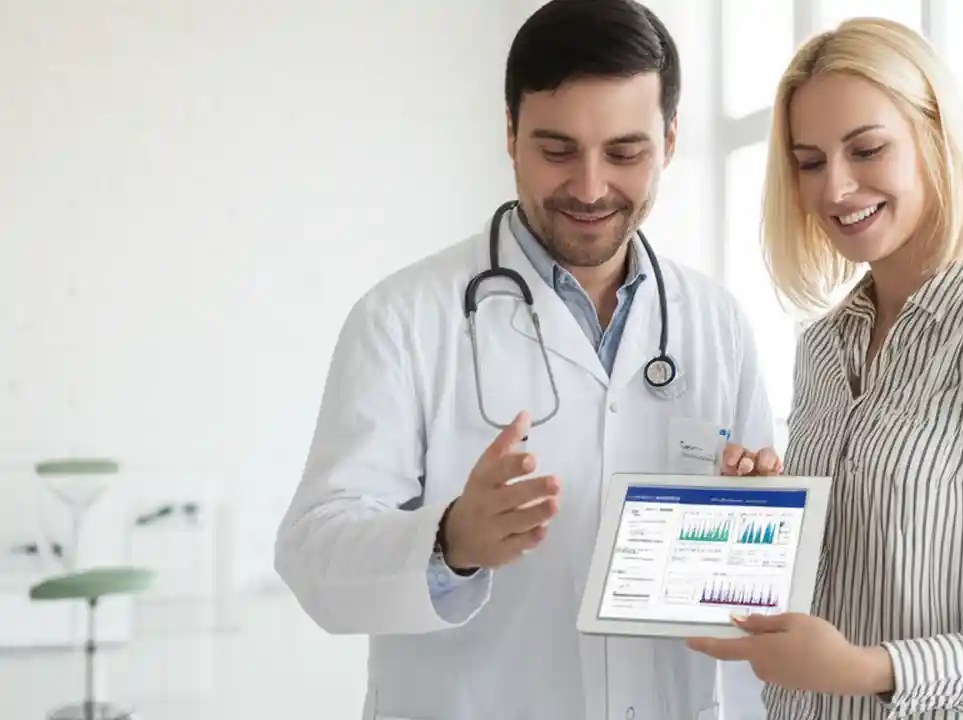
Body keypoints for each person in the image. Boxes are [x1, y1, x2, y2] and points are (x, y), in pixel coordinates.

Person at [273, 1, 773, 718]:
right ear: (510, 136)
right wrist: (451, 541)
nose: (592, 187)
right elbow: (312, 555)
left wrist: (752, 519)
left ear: (668, 141)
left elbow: (746, 596)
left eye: (626, 152)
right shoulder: (405, 318)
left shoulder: (715, 323)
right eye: (557, 149)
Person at [686, 17, 963, 719]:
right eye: (809, 161)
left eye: (866, 149)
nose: (835, 189)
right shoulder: (823, 348)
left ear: (934, 136)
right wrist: (769, 523)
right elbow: (854, 574)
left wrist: (876, 670)